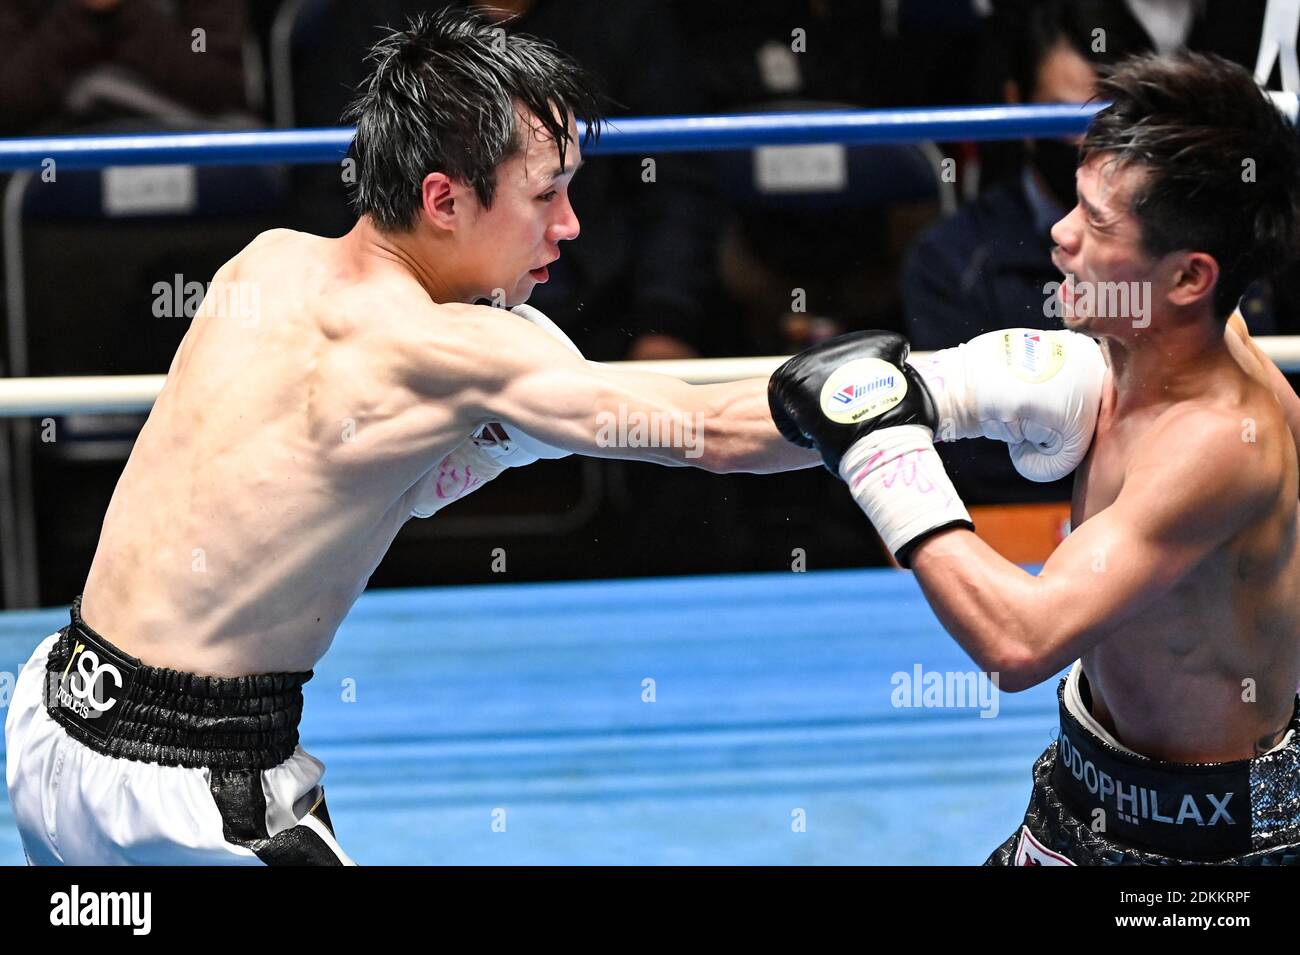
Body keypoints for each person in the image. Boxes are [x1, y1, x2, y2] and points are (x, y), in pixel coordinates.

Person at [770, 52, 1300, 865]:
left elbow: (1019, 643)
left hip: (1208, 847)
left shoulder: (1218, 440)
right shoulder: (1161, 341)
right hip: (1087, 790)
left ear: (1190, 276)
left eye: (1096, 222)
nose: (1058, 234)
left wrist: (881, 454)